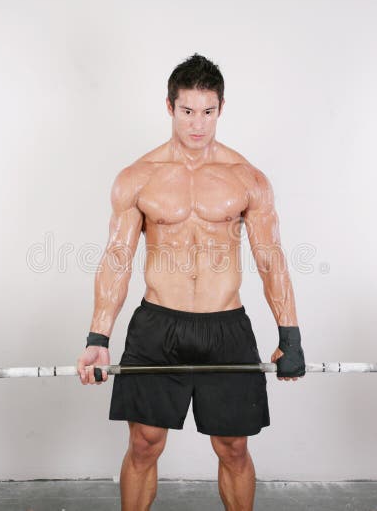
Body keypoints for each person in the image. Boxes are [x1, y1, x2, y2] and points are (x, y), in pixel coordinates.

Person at [76, 54, 306, 511]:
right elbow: (118, 257)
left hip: (226, 326)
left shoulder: (248, 179)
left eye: (208, 111)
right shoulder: (138, 177)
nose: (197, 124)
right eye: (187, 111)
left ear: (221, 108)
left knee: (234, 448)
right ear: (169, 107)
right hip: (157, 325)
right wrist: (98, 336)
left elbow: (270, 257)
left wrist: (290, 334)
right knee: (144, 444)